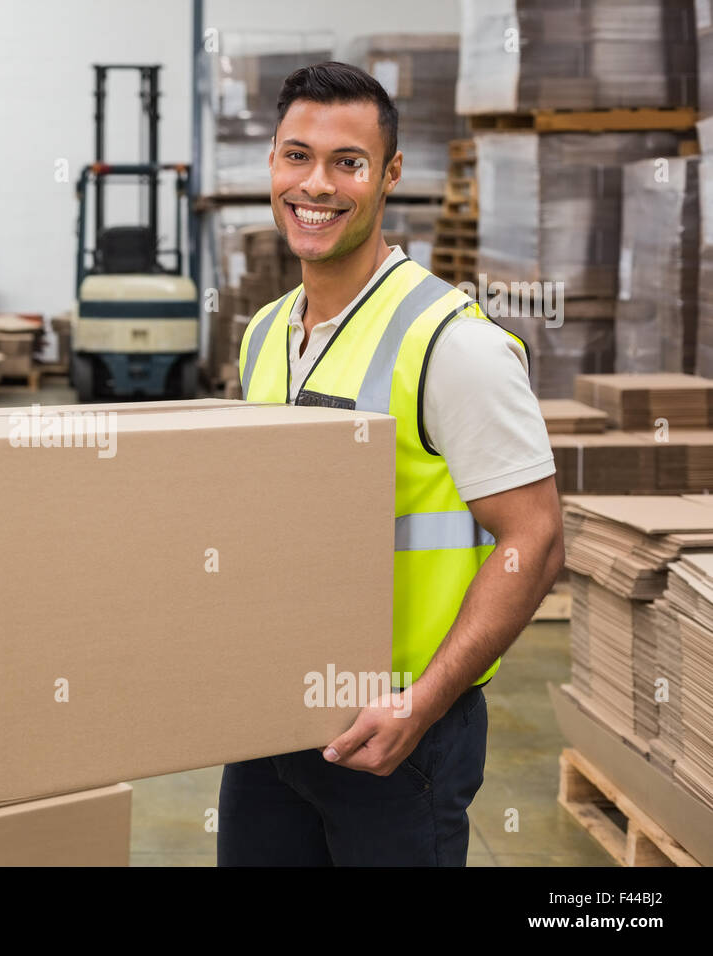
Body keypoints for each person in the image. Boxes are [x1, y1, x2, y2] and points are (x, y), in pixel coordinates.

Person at [218, 62, 564, 866]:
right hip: (271, 726)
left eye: (348, 162)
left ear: (390, 175)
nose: (316, 185)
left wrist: (424, 702)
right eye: (296, 156)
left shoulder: (451, 343)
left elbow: (535, 538)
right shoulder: (265, 333)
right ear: (271, 163)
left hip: (401, 738)